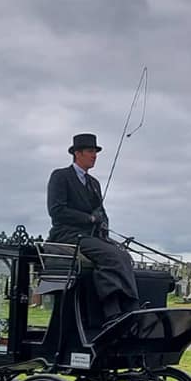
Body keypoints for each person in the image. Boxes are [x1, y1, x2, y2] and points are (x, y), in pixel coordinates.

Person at [47, 133, 140, 324]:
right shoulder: (61, 176)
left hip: (91, 236)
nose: (94, 155)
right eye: (90, 151)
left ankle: (128, 305)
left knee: (123, 255)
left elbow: (101, 212)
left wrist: (103, 224)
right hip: (67, 235)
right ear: (78, 154)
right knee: (111, 255)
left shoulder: (94, 184)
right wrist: (88, 218)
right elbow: (56, 210)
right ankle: (112, 311)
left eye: (95, 152)